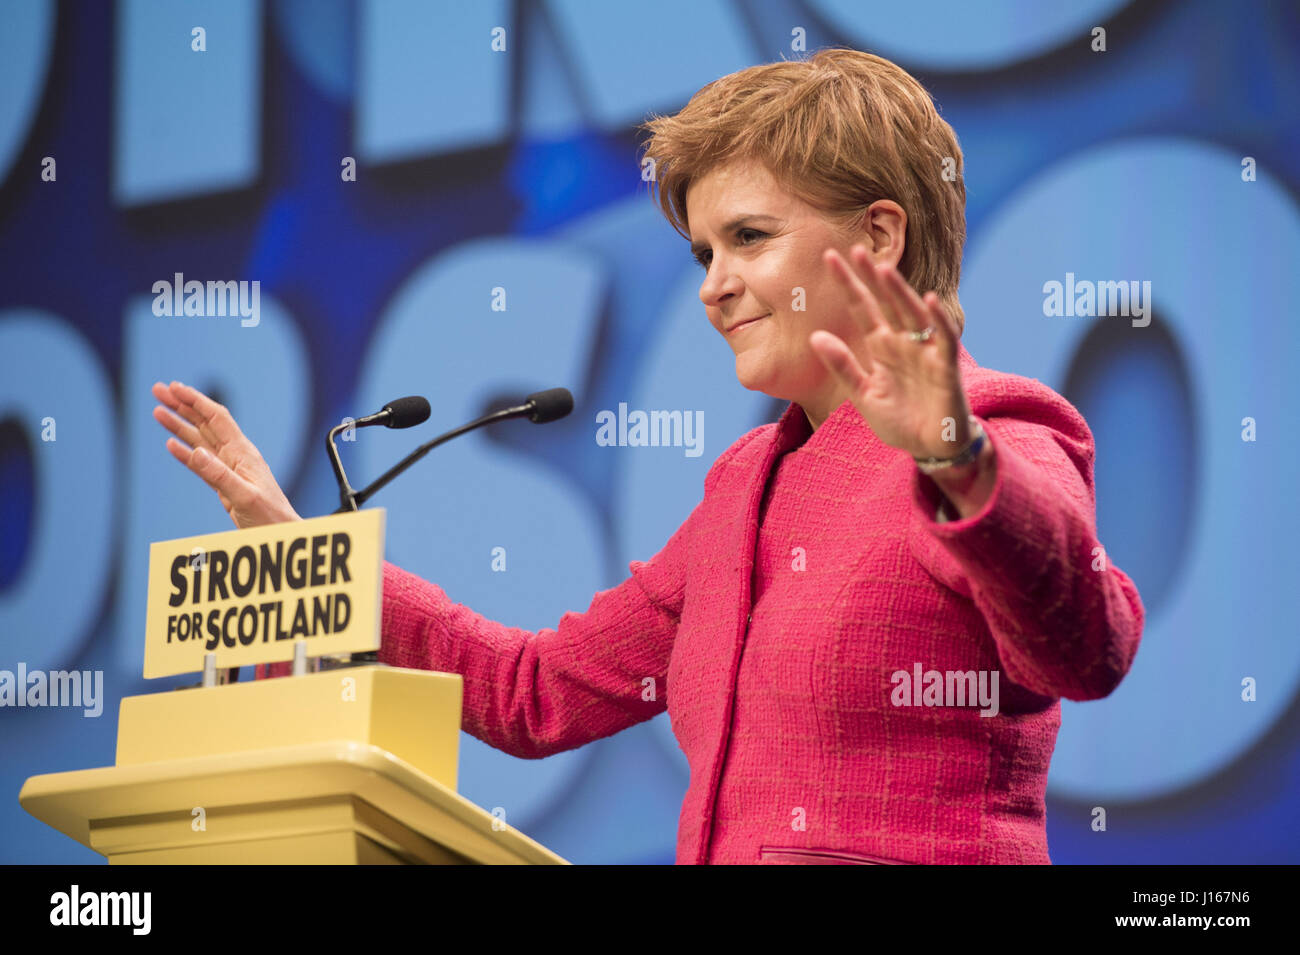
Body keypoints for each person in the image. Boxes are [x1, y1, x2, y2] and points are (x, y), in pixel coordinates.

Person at [151, 47, 1144, 865]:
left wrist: (957, 462)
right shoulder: (745, 488)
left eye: (748, 237)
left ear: (879, 234)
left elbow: (1086, 645)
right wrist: (310, 559)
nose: (713, 286)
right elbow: (532, 693)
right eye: (703, 252)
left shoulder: (994, 429)